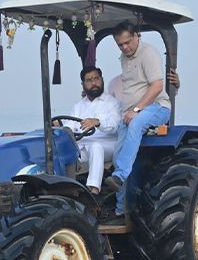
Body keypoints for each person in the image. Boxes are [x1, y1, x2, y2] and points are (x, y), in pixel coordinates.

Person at [103, 21, 171, 218]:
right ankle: (120, 209)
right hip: (131, 113)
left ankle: (120, 176)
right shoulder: (124, 58)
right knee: (118, 155)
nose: (124, 48)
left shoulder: (148, 53)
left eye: (127, 43)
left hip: (156, 108)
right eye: (120, 45)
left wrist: (137, 109)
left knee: (135, 125)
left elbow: (157, 86)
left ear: (136, 36)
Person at [56, 67, 121, 195]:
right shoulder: (78, 106)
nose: (94, 83)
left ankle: (94, 189)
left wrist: (97, 122)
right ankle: (63, 190)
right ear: (83, 84)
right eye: (89, 80)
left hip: (107, 144)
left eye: (96, 79)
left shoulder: (113, 103)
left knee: (96, 147)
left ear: (102, 80)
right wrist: (59, 124)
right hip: (83, 145)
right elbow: (71, 126)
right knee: (60, 153)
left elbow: (115, 124)